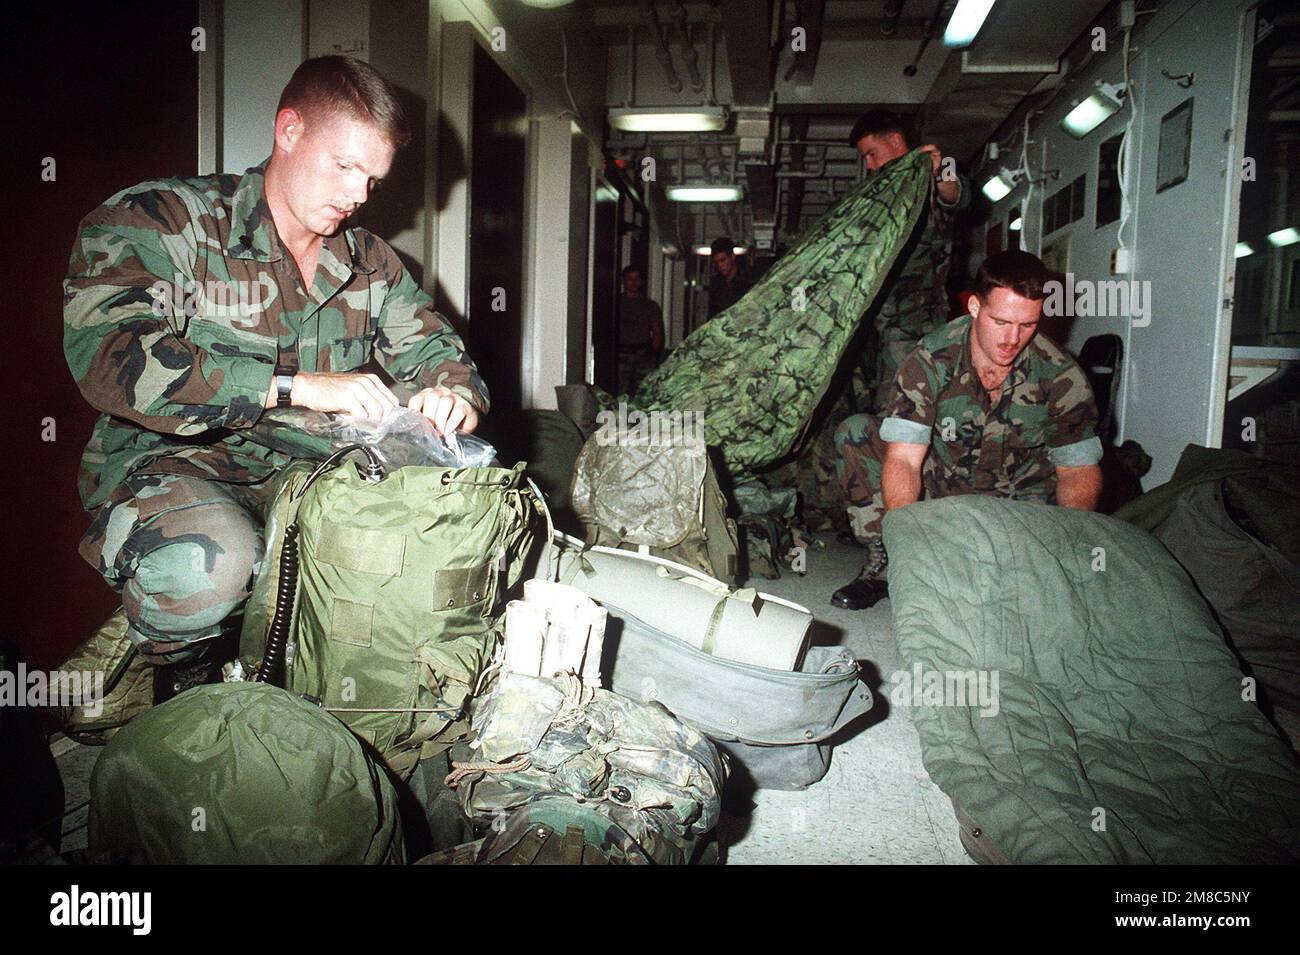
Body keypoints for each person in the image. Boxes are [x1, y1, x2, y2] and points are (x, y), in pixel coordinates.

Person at [63, 56, 489, 698]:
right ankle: (181, 690)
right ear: (288, 130)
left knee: (425, 541)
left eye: (372, 178)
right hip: (176, 462)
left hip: (309, 468)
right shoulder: (164, 222)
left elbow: (440, 353)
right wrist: (292, 386)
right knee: (214, 564)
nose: (358, 195)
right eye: (345, 167)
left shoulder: (368, 261)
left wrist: (451, 397)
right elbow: (110, 355)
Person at [830, 250, 1103, 610]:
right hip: (942, 492)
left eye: (1027, 325)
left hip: (1018, 504)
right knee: (856, 433)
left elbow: (1077, 470)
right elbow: (905, 462)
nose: (1013, 339)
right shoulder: (930, 360)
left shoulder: (1060, 373)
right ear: (974, 306)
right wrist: (907, 546)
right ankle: (887, 564)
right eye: (1001, 322)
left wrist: (1068, 547)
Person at [850, 110, 971, 411]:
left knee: (905, 404)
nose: (869, 164)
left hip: (920, 317)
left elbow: (955, 194)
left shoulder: (936, 169)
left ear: (894, 139)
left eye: (872, 154)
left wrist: (936, 171)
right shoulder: (879, 193)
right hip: (885, 321)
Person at [616, 265, 665, 395]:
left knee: (644, 393)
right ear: (623, 281)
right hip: (621, 354)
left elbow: (657, 332)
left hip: (643, 354)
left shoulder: (650, 305)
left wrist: (652, 354)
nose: (633, 282)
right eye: (630, 279)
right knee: (621, 393)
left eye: (637, 278)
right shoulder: (615, 303)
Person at [706, 236, 753, 319]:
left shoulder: (748, 280)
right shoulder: (716, 284)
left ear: (732, 256)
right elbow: (713, 313)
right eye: (716, 262)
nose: (720, 266)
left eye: (723, 260)